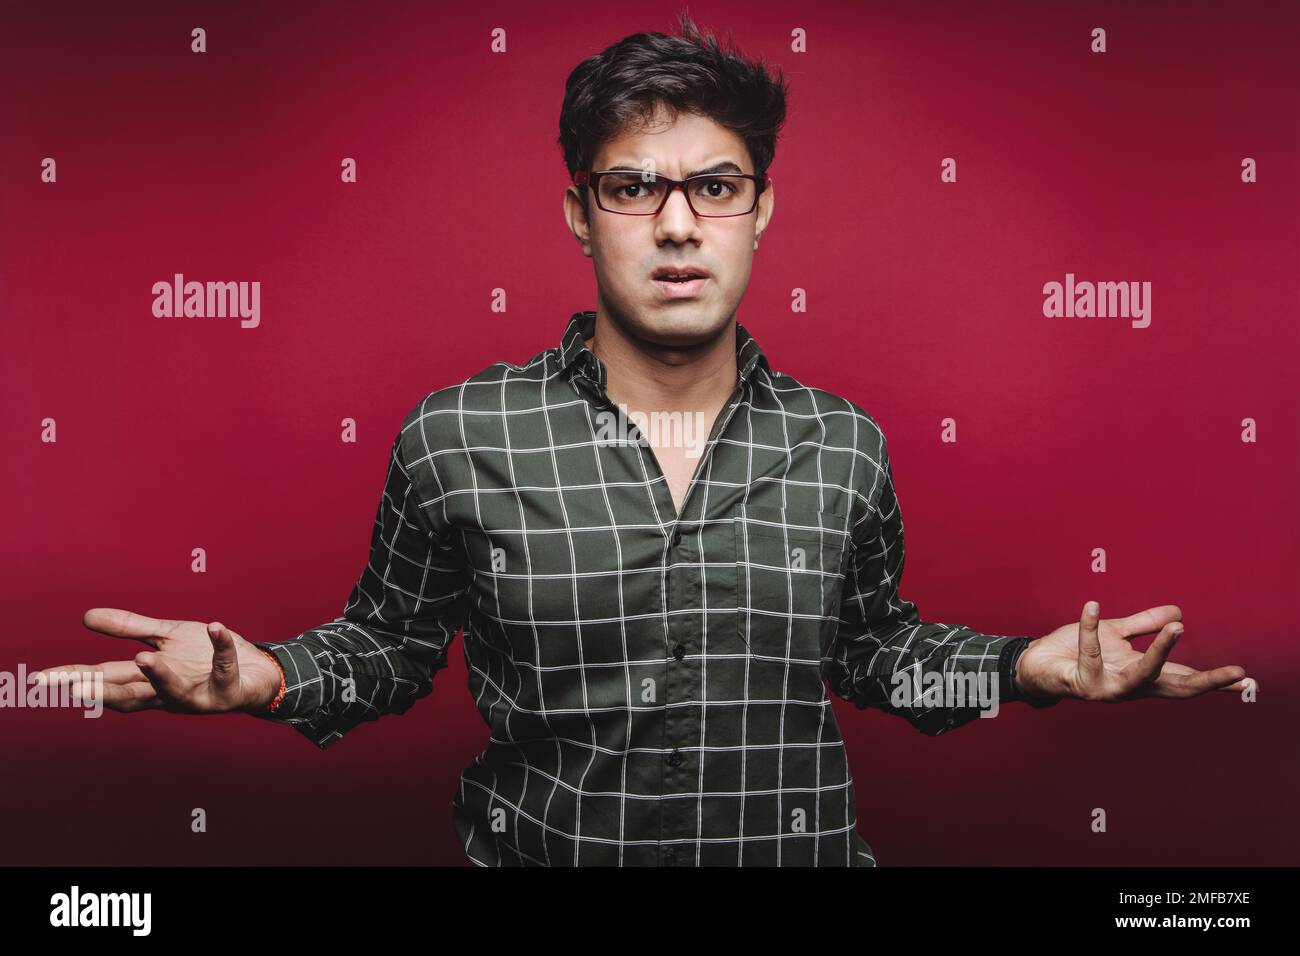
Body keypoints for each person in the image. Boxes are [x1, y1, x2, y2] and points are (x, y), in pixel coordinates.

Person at [37, 12, 1250, 867]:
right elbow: (392, 646)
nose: (678, 226)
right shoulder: (458, 433)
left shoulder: (845, 444)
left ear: (761, 209)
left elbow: (872, 651)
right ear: (580, 212)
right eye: (633, 188)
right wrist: (270, 677)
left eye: (715, 187)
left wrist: (1018, 669)